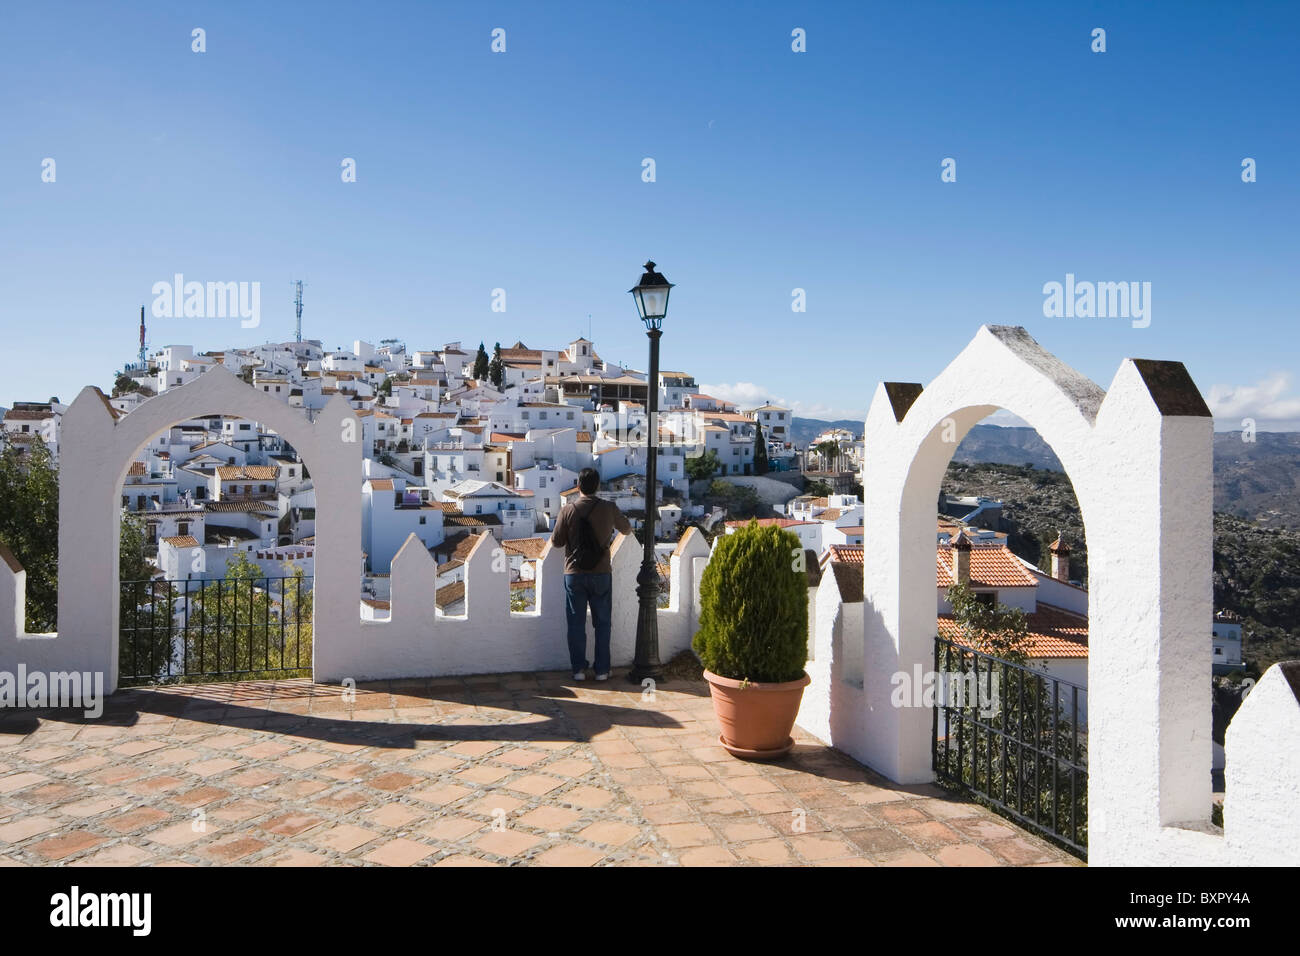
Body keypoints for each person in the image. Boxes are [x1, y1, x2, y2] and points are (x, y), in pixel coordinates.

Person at [549, 467, 631, 681]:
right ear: (598, 486)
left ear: (578, 486)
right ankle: (602, 670)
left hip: (574, 573)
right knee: (602, 622)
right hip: (601, 572)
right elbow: (627, 530)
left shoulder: (568, 510)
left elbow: (556, 542)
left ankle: (578, 670)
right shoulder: (609, 507)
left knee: (576, 624)